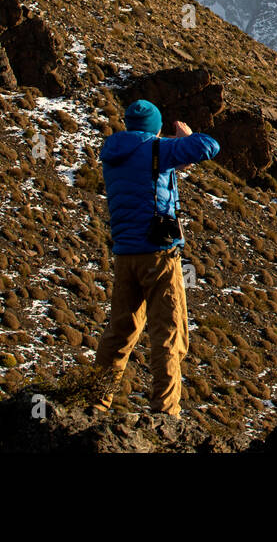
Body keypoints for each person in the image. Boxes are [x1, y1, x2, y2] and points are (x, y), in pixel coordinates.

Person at [92, 99, 219, 416]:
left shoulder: (114, 153)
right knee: (169, 333)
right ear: (155, 127)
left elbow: (145, 177)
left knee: (120, 332)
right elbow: (209, 146)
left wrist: (171, 153)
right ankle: (166, 413)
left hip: (126, 255)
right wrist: (185, 138)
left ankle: (95, 400)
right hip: (159, 254)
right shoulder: (156, 150)